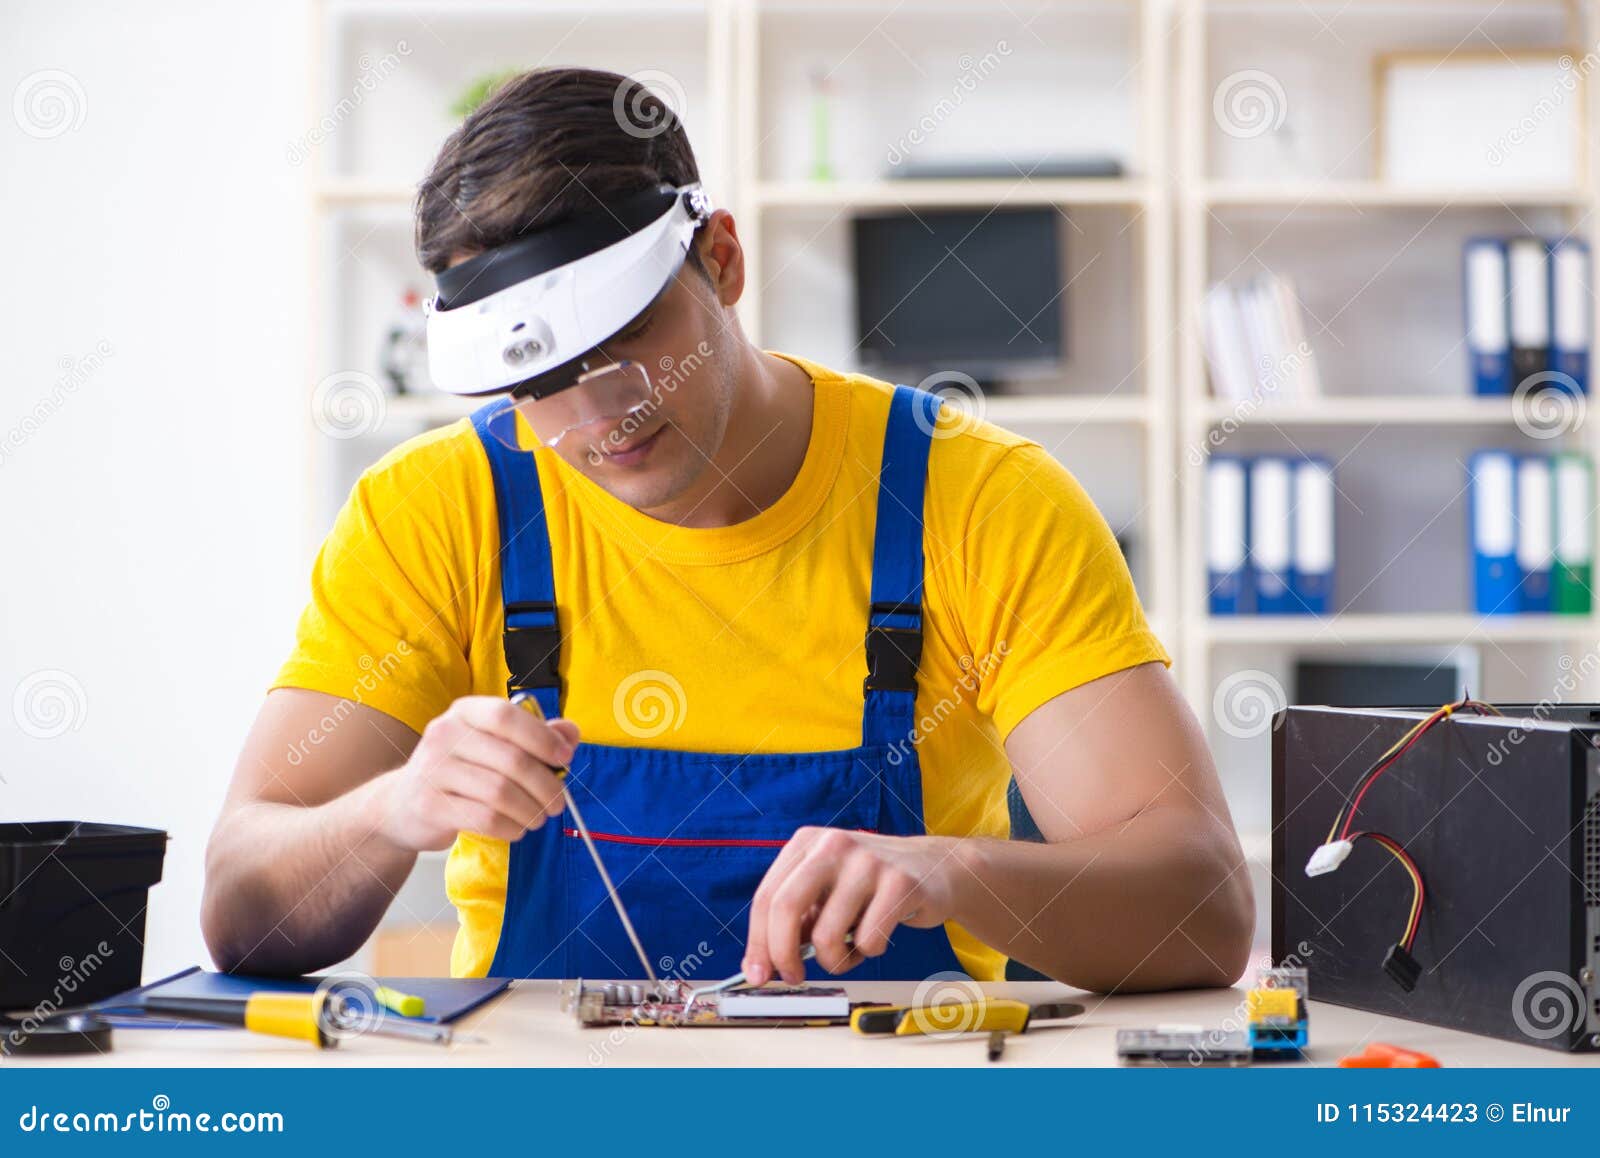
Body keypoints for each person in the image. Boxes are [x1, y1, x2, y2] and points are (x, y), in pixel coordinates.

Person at [202, 67, 1252, 992]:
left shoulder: (975, 503)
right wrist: (389, 811)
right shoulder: (437, 511)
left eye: (627, 340)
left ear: (723, 259)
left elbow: (1203, 911)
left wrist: (955, 871)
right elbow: (242, 907)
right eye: (539, 386)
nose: (596, 418)